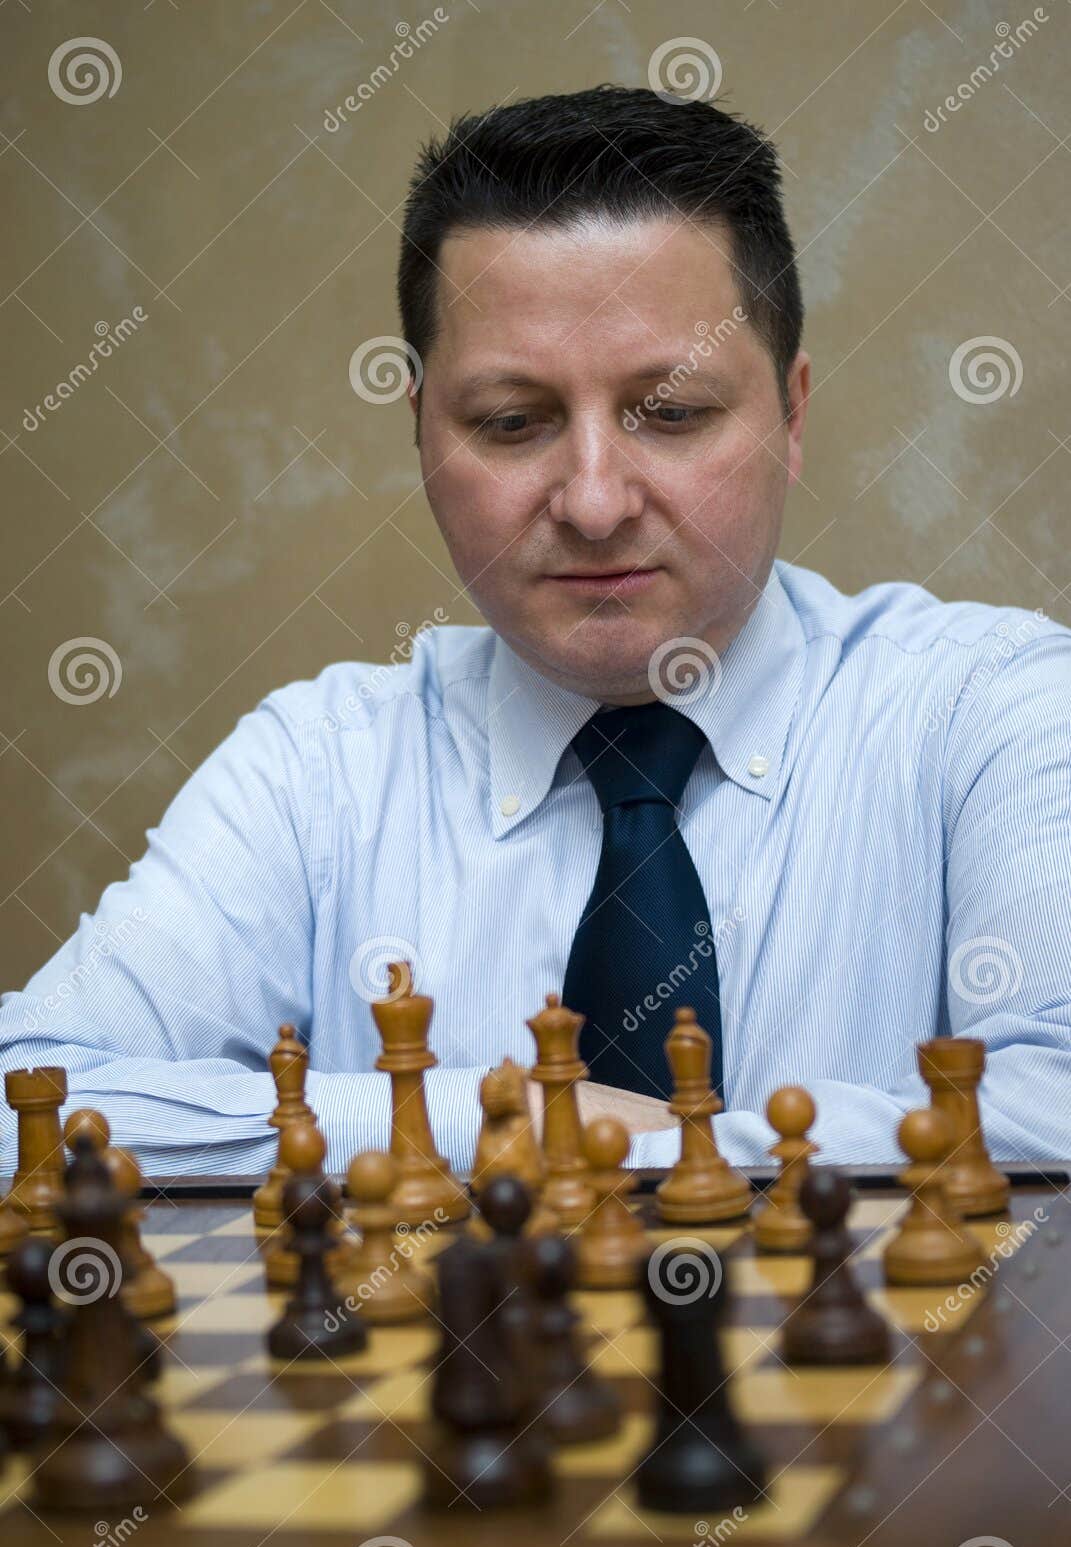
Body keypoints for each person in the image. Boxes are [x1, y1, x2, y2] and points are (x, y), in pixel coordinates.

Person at [1, 86, 1068, 1182]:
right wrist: (503, 1119)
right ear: (419, 429)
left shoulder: (989, 711)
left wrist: (622, 1148)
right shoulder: (314, 772)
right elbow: (20, 1100)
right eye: (513, 423)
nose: (596, 502)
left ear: (791, 416)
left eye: (673, 412)